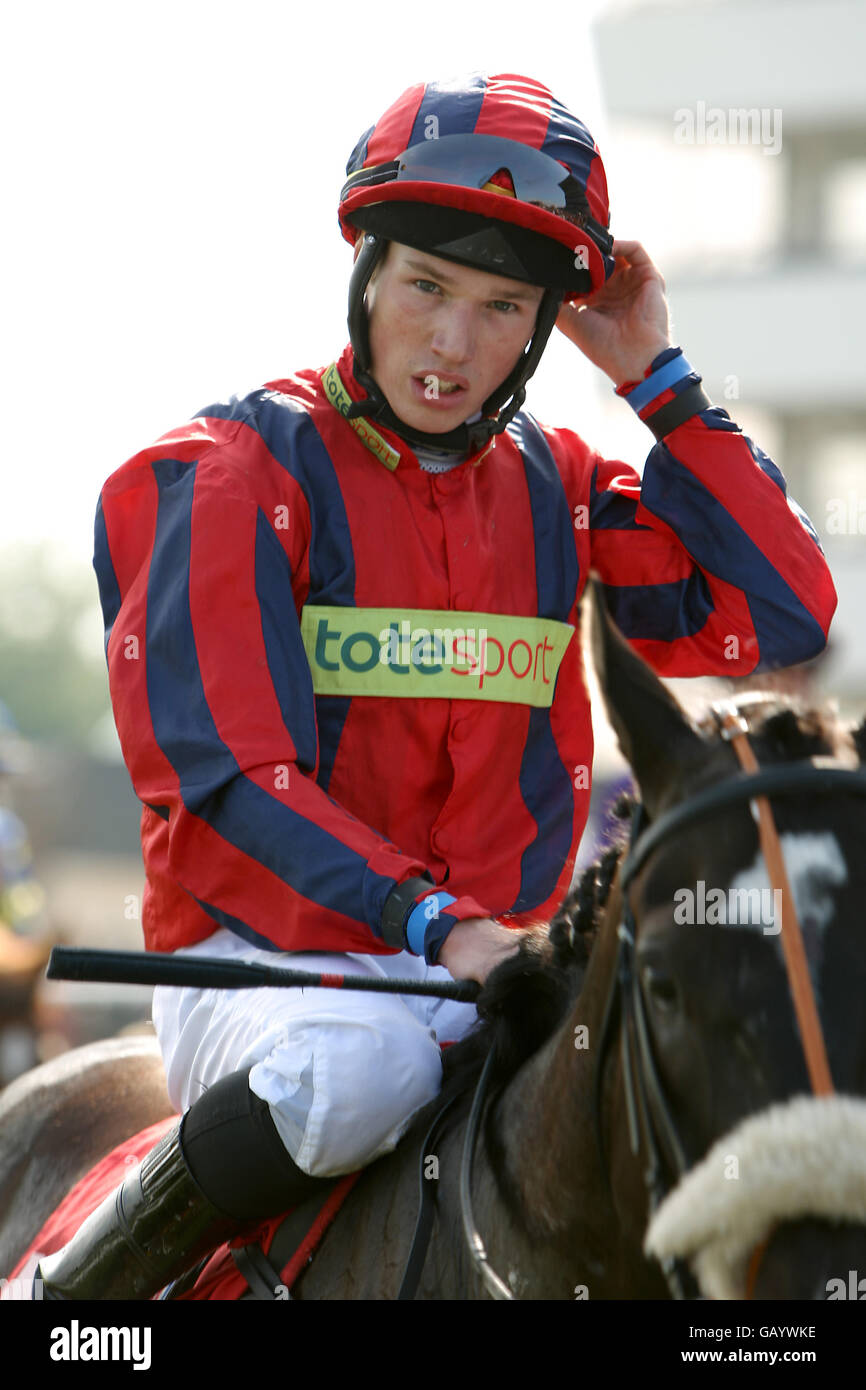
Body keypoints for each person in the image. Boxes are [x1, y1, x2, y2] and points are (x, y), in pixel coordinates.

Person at [39, 73, 836, 1299]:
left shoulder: (558, 489)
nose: (453, 344)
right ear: (365, 271)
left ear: (538, 325)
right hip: (277, 975)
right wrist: (431, 923)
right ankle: (70, 1297)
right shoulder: (227, 475)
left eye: (502, 305)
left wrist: (653, 376)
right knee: (360, 1073)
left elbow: (778, 613)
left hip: (500, 963)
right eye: (425, 287)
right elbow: (221, 781)